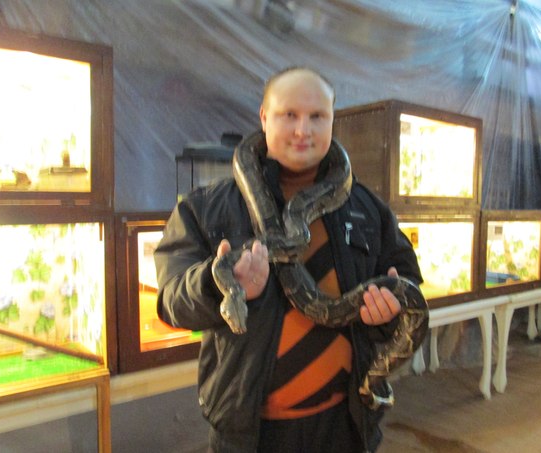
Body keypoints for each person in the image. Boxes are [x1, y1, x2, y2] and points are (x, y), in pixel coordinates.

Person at [154, 67, 423, 453]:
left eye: (317, 116)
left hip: (345, 426)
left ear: (332, 120)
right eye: (289, 115)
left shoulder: (368, 208)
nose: (303, 130)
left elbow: (408, 283)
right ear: (264, 117)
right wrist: (217, 286)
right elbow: (171, 302)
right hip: (249, 435)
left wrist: (388, 316)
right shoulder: (205, 209)